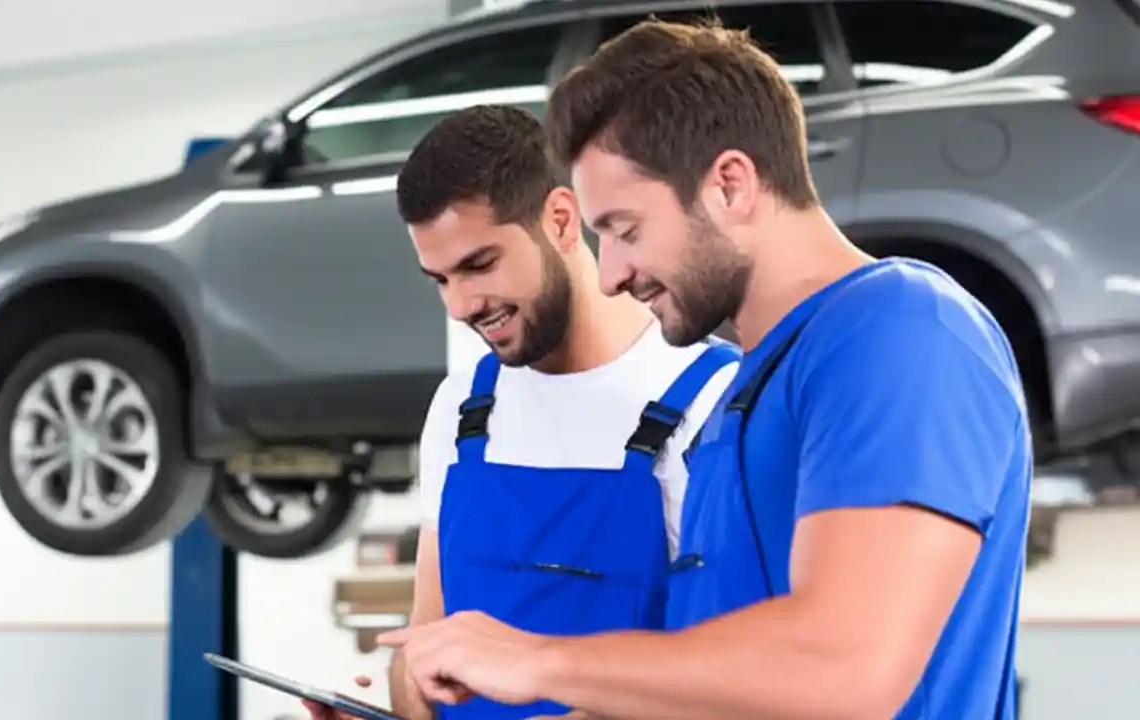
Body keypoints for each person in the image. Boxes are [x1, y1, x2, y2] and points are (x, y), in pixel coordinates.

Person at [379, 18, 1033, 720]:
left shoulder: (901, 334)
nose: (612, 275)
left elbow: (842, 667)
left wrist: (537, 659)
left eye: (626, 231)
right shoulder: (739, 409)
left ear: (730, 185)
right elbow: (721, 692)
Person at [304, 105, 739, 720]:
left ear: (561, 219)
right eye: (440, 280)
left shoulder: (709, 403)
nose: (460, 306)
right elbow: (422, 645)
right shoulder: (461, 409)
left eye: (479, 266)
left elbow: (740, 679)